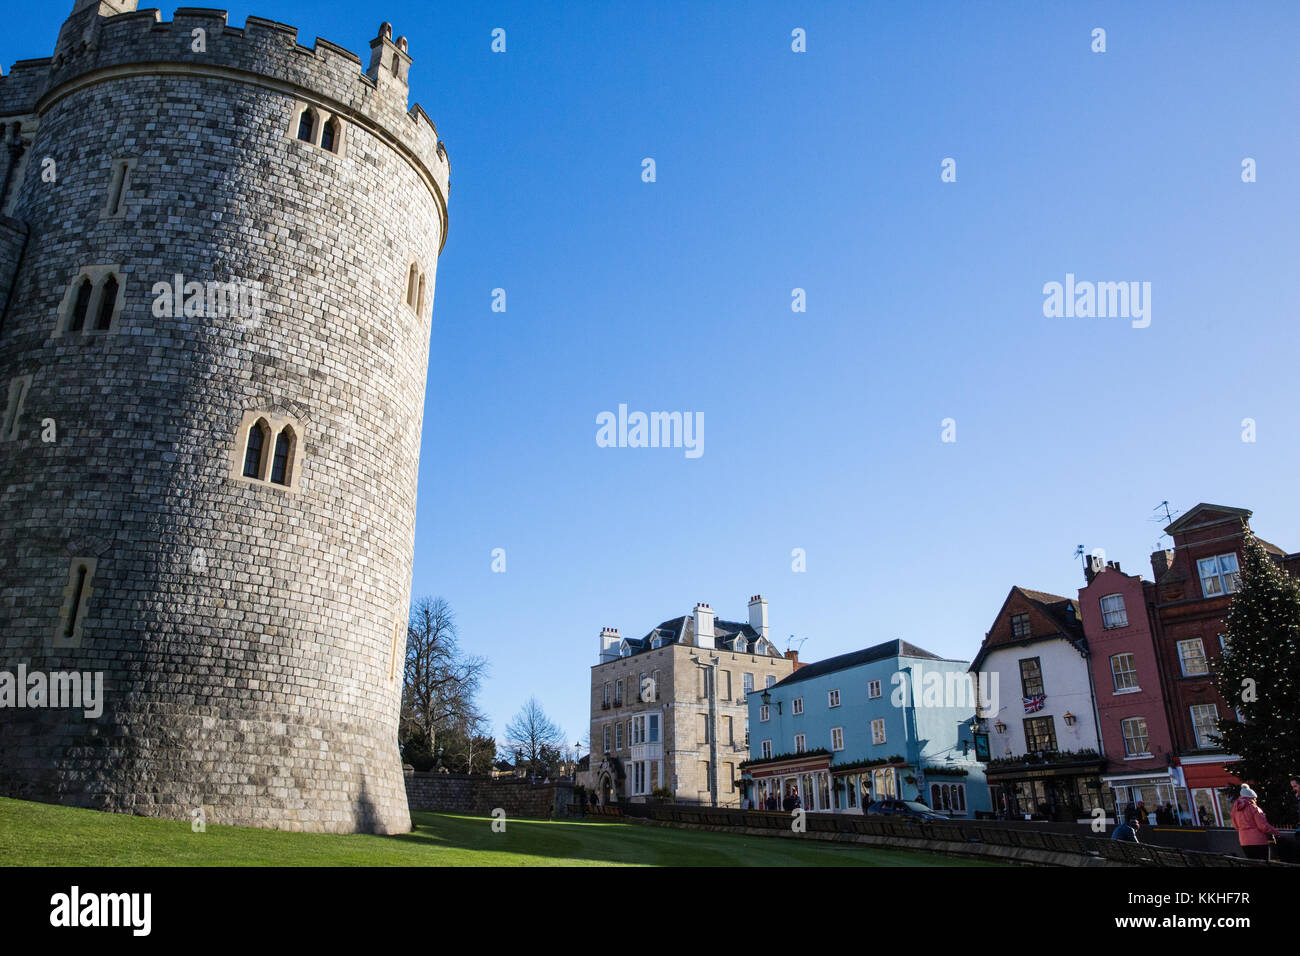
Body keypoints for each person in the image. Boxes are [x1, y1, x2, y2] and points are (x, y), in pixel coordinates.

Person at [1230, 784, 1281, 861]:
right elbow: (1263, 826)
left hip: (1244, 842)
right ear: (1251, 798)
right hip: (1259, 841)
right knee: (1262, 864)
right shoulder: (1254, 808)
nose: (1256, 801)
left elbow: (1235, 825)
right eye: (1255, 799)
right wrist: (1276, 832)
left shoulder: (1234, 810)